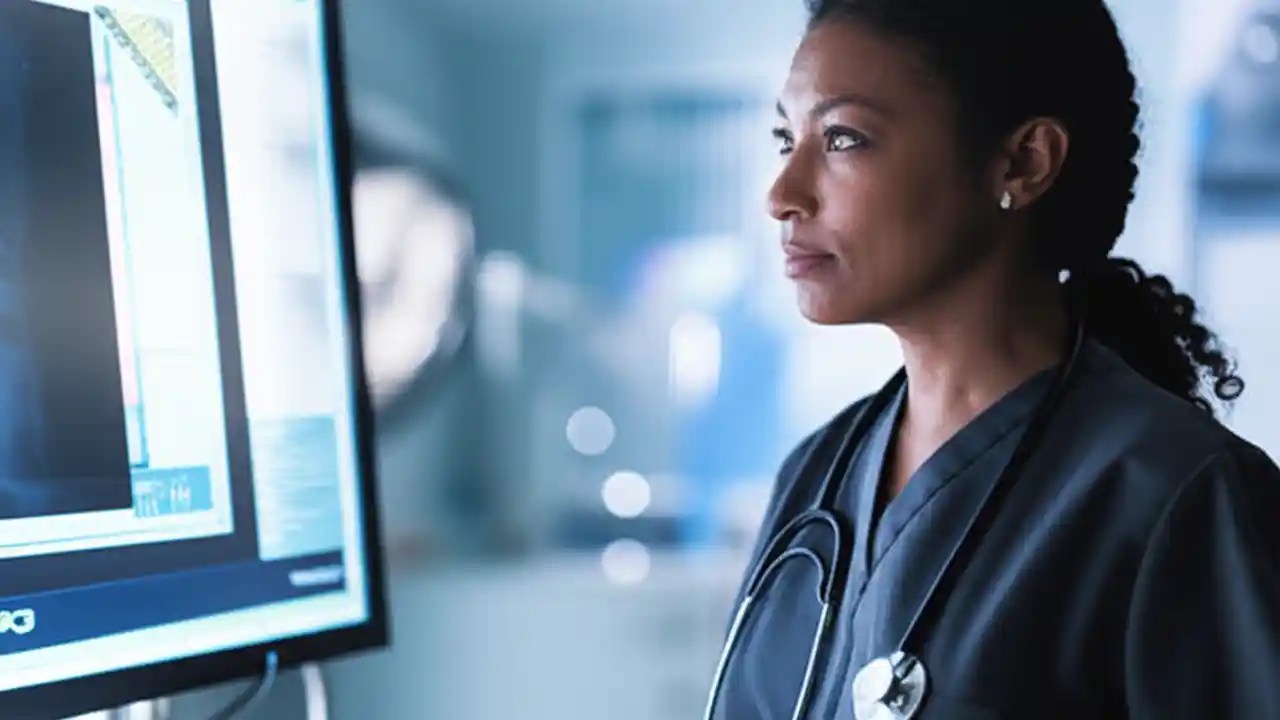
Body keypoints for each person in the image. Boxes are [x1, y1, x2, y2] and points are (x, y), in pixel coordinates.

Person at [707, 0, 1280, 718]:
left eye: (844, 138)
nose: (781, 195)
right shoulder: (815, 479)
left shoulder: (1178, 492)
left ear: (1023, 161)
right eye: (784, 139)